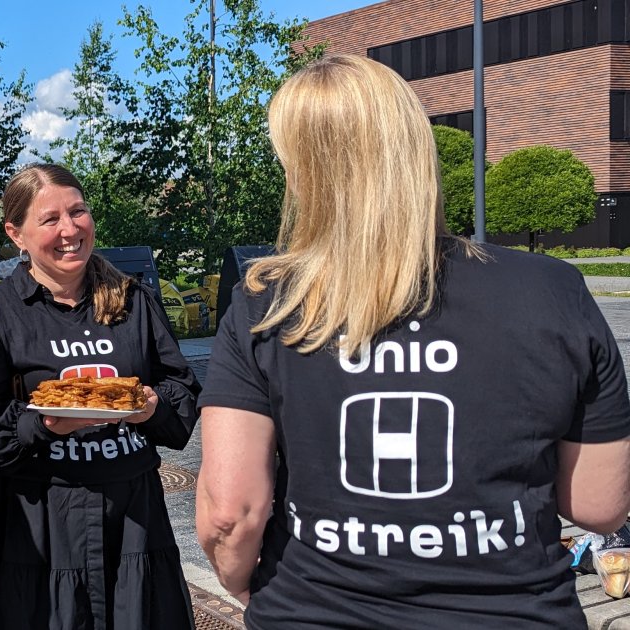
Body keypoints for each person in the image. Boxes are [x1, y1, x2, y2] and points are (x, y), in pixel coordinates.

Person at [195, 54, 630, 629]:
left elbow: (230, 514)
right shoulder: (551, 288)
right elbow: (599, 506)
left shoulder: (267, 302)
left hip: (315, 610)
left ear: (301, 170)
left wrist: (248, 589)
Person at [0, 163, 200, 630]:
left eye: (78, 212)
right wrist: (42, 423)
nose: (69, 229)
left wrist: (149, 406)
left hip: (133, 521)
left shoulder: (133, 301)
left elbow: (181, 390)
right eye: (50, 219)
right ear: (16, 234)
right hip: (38, 524)